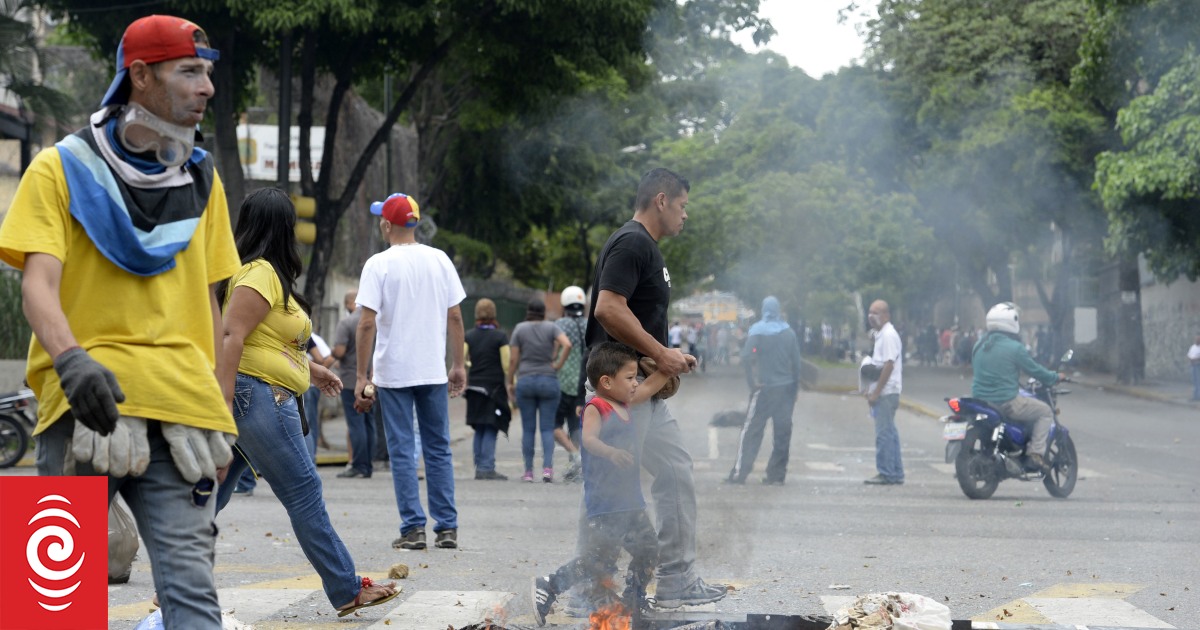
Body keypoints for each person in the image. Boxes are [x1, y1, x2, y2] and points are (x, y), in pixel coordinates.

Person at [0, 15, 238, 627]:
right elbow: (39, 284)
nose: (207, 87)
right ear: (138, 75)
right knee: (53, 606)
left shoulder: (202, 178)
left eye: (207, 72)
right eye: (189, 72)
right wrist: (72, 358)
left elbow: (209, 302)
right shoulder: (60, 168)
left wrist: (223, 411)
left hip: (183, 412)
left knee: (177, 601)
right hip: (86, 403)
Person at [213, 188, 398, 616]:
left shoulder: (254, 271)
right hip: (257, 398)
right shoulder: (260, 273)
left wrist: (311, 370)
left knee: (212, 495)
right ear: (283, 228)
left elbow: (263, 338)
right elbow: (229, 337)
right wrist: (222, 413)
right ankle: (348, 588)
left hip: (254, 394)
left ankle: (176, 585)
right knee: (304, 493)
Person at [584, 167, 726, 609]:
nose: (686, 215)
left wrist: (665, 356)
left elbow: (630, 314)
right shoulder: (632, 242)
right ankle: (593, 591)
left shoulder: (645, 247)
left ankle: (675, 578)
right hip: (624, 393)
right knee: (614, 488)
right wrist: (662, 354)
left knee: (675, 470)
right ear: (661, 200)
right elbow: (608, 308)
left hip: (641, 389)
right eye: (683, 206)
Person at [354, 192, 466, 551]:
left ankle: (413, 529)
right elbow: (455, 316)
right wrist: (458, 364)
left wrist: (361, 375)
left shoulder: (378, 264)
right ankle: (447, 527)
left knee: (402, 450)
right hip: (433, 370)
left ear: (387, 225)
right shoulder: (440, 260)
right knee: (438, 448)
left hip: (393, 373)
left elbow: (367, 323)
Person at [531, 342, 667, 625]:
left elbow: (648, 387)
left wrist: (670, 368)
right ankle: (549, 584)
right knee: (596, 562)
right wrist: (612, 452)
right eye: (629, 378)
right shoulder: (598, 406)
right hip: (606, 503)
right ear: (606, 382)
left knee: (648, 549)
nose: (635, 384)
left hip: (629, 502)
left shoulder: (624, 401)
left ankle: (633, 600)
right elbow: (588, 440)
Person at [970, 303, 1064, 471]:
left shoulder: (979, 345)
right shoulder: (1015, 348)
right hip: (1006, 402)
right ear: (1012, 322)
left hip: (980, 401)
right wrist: (1054, 377)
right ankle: (1035, 454)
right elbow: (1035, 370)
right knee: (1045, 412)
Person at [725, 296, 802, 486]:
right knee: (782, 432)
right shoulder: (789, 332)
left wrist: (752, 383)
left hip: (764, 390)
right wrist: (794, 390)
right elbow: (797, 364)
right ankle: (776, 475)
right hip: (785, 391)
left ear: (763, 309)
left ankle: (740, 473)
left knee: (752, 431)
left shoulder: (757, 331)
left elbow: (746, 357)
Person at [508, 298, 573, 482]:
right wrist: (557, 363)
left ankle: (528, 472)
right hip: (548, 380)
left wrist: (509, 381)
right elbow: (567, 344)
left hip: (526, 380)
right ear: (543, 312)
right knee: (547, 428)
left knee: (528, 430)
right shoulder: (551, 328)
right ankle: (547, 470)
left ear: (528, 311)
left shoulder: (520, 329)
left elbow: (513, 360)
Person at [464, 298, 512, 480]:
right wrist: (511, 380)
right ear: (493, 314)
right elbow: (506, 363)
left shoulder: (469, 335)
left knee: (479, 427)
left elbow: (462, 358)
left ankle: (479, 466)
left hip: (474, 386)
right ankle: (486, 467)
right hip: (494, 387)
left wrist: (469, 364)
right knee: (491, 426)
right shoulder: (500, 337)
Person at [332, 289, 375, 478]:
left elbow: (340, 352)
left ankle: (359, 464)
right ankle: (368, 464)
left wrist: (332, 353)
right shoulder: (377, 322)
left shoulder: (346, 322)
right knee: (369, 422)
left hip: (351, 379)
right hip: (372, 379)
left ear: (350, 303)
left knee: (355, 423)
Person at [863, 299, 905, 485]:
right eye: (870, 312)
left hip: (886, 392)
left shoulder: (888, 335)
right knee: (890, 432)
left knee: (883, 433)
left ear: (886, 315)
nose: (872, 316)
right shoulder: (882, 334)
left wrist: (876, 393)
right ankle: (895, 473)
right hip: (887, 391)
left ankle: (886, 472)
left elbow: (889, 365)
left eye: (877, 313)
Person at [554, 285, 589, 482]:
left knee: (555, 423)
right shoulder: (589, 324)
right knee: (576, 423)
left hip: (564, 380)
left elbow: (555, 349)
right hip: (584, 380)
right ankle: (579, 466)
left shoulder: (559, 324)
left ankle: (575, 460)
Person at [303, 331, 335, 458]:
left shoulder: (307, 335)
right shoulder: (309, 335)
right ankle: (311, 456)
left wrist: (314, 372)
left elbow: (322, 358)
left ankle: (310, 457)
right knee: (310, 422)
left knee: (306, 424)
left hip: (307, 386)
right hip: (309, 386)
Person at [1190, 335, 1200, 402]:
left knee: (1198, 381)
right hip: (1192, 365)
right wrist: (1190, 359)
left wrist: (1195, 359)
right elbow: (1189, 354)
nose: (1197, 340)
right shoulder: (1193, 347)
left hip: (1198, 365)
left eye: (1198, 339)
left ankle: (1198, 396)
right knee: (1194, 381)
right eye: (1196, 339)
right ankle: (1195, 395)